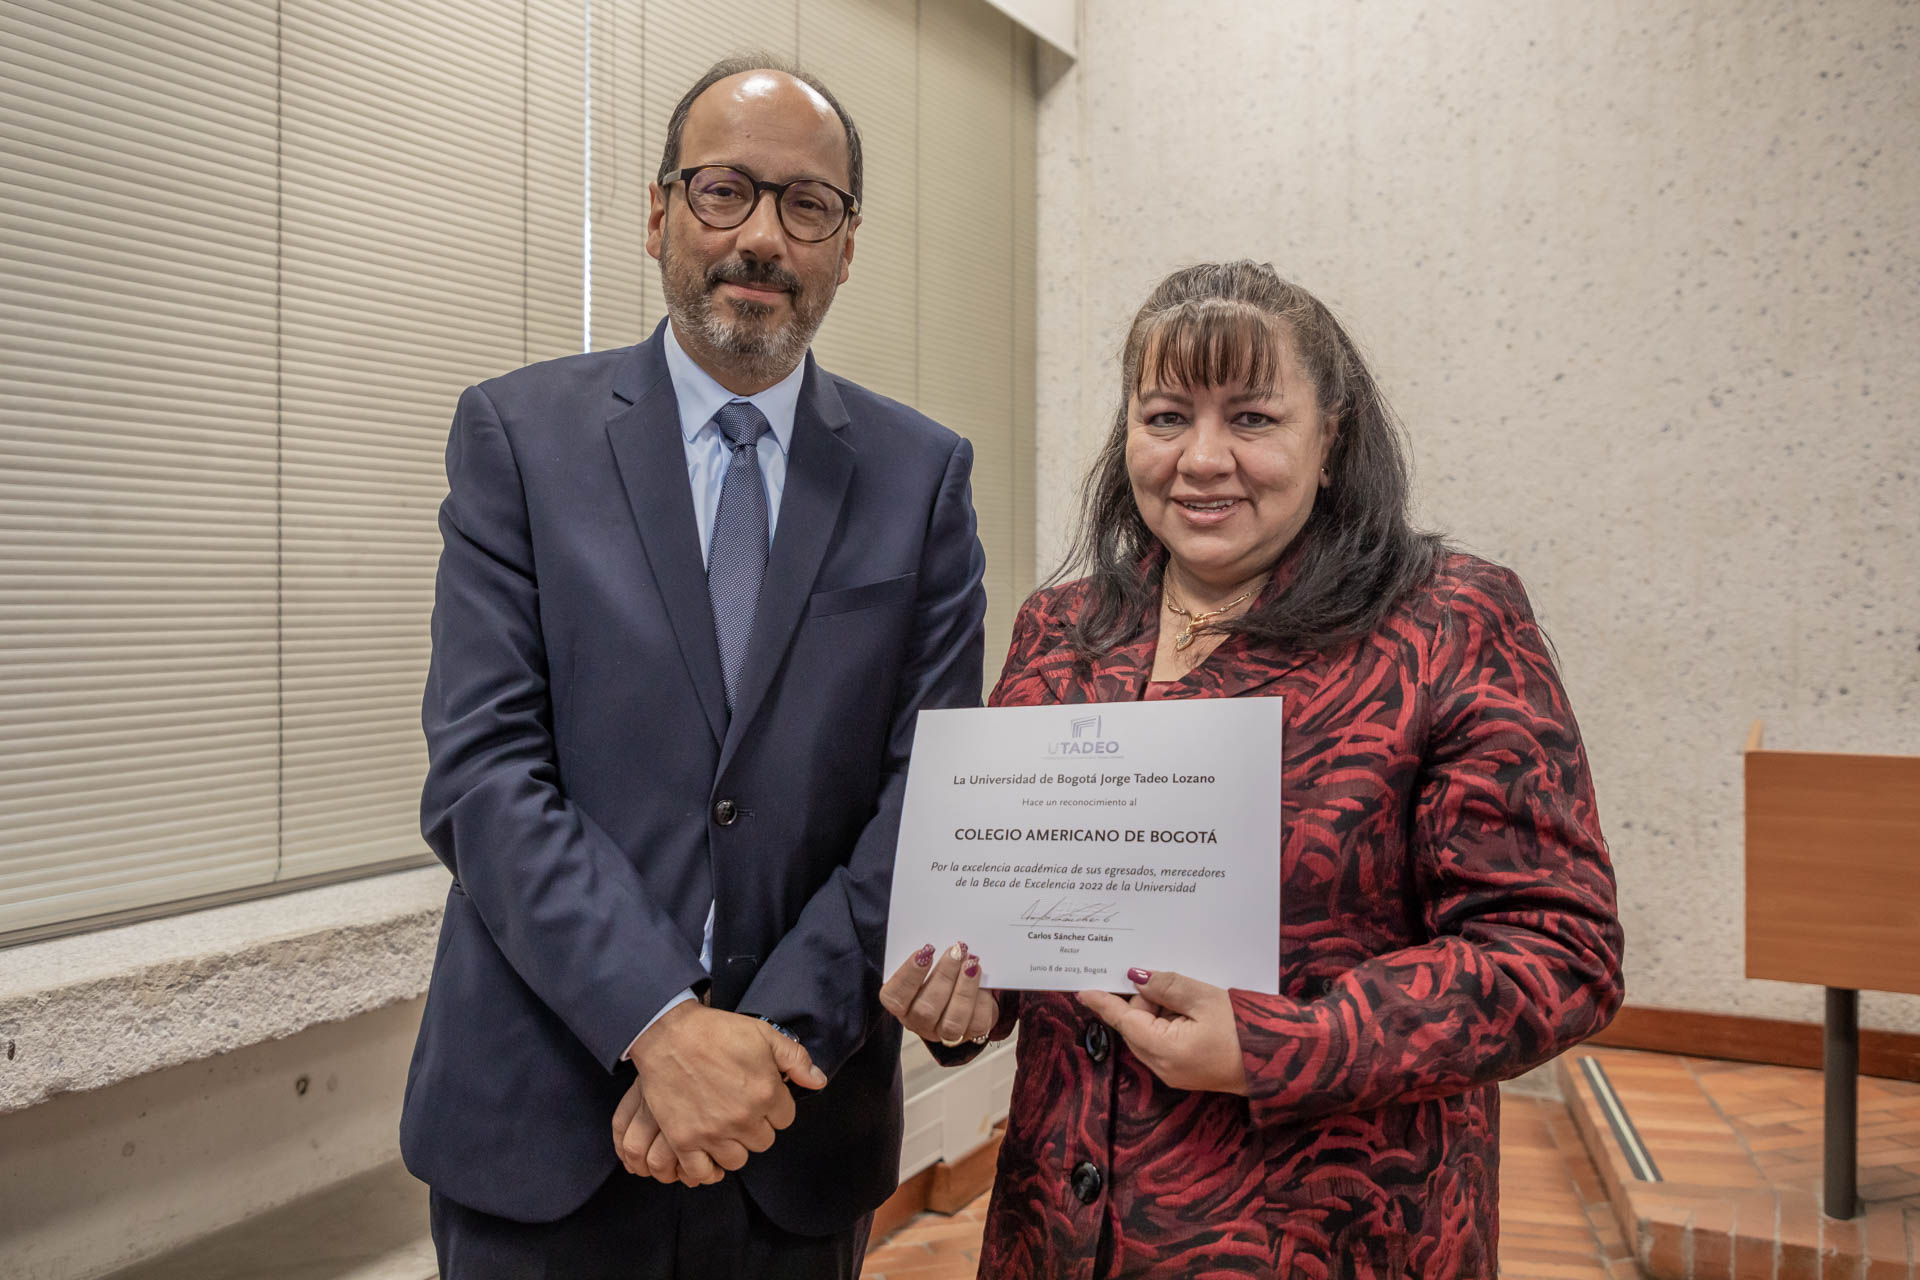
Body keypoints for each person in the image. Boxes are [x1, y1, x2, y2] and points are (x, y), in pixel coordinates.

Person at [881, 261, 1623, 1278]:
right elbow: (1036, 935)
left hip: (1324, 1233)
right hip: (1059, 1228)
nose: (1202, 458)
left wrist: (1282, 1042)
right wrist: (971, 1002)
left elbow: (1557, 949)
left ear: (1332, 440)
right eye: (1166, 415)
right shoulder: (1061, 629)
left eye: (1254, 418)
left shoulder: (1447, 621)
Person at [401, 54, 988, 1279]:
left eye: (806, 205)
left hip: (798, 1125)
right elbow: (484, 773)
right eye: (725, 191)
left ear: (847, 243)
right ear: (661, 211)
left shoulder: (920, 476)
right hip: (548, 1121)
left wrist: (752, 1052)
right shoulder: (518, 439)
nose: (762, 236)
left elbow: (926, 798)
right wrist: (661, 1024)